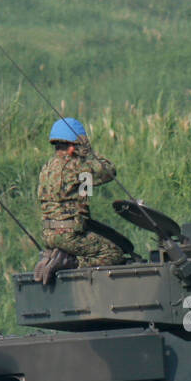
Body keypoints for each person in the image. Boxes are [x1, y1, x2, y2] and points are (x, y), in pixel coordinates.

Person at [35, 117, 127, 274]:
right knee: (113, 253)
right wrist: (89, 153)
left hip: (48, 234)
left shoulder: (47, 167)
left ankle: (54, 257)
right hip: (69, 235)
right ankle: (69, 263)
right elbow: (109, 170)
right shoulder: (76, 166)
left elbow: (85, 189)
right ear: (73, 147)